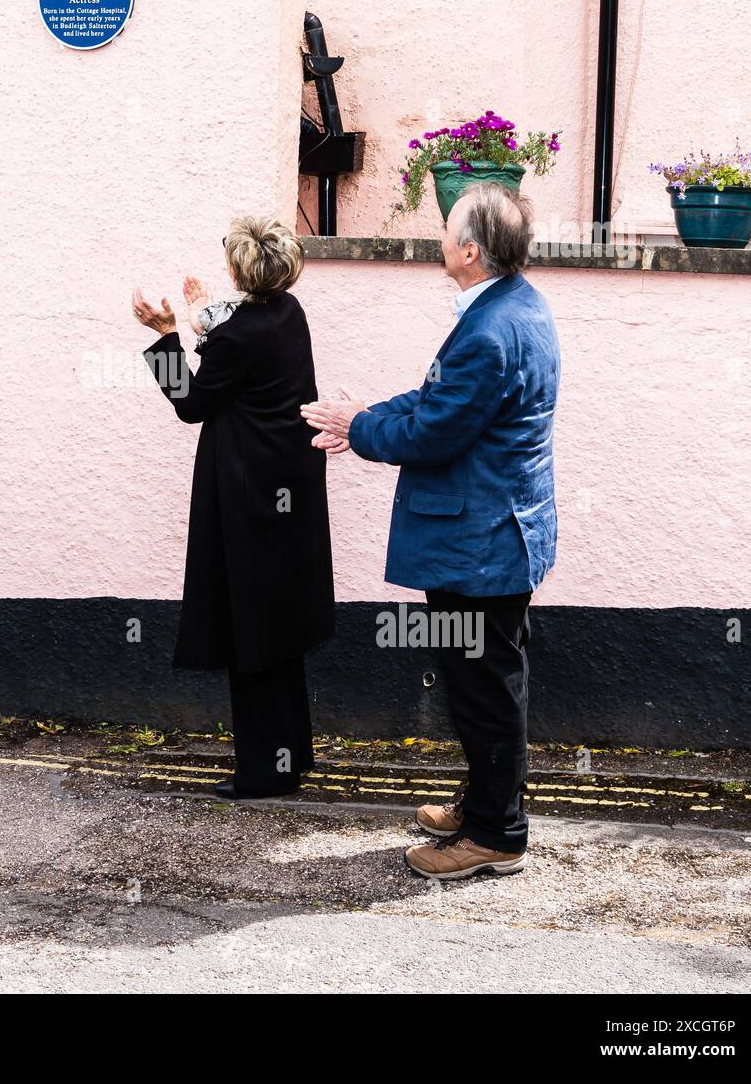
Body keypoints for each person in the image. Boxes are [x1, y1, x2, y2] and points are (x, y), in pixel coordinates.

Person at [303, 184, 559, 879]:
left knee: (482, 686)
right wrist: (363, 414)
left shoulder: (488, 330)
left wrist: (359, 427)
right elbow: (433, 396)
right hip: (497, 533)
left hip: (477, 542)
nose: (439, 238)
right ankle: (485, 803)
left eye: (447, 230)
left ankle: (496, 835)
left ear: (470, 250)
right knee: (490, 680)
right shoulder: (515, 305)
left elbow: (433, 430)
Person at [133, 216, 335, 799]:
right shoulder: (287, 314)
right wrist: (204, 322)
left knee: (250, 626)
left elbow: (193, 404)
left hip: (247, 492)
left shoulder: (240, 333)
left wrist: (168, 335)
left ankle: (262, 772)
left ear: (240, 270)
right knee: (279, 625)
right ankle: (290, 755)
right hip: (288, 486)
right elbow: (240, 343)